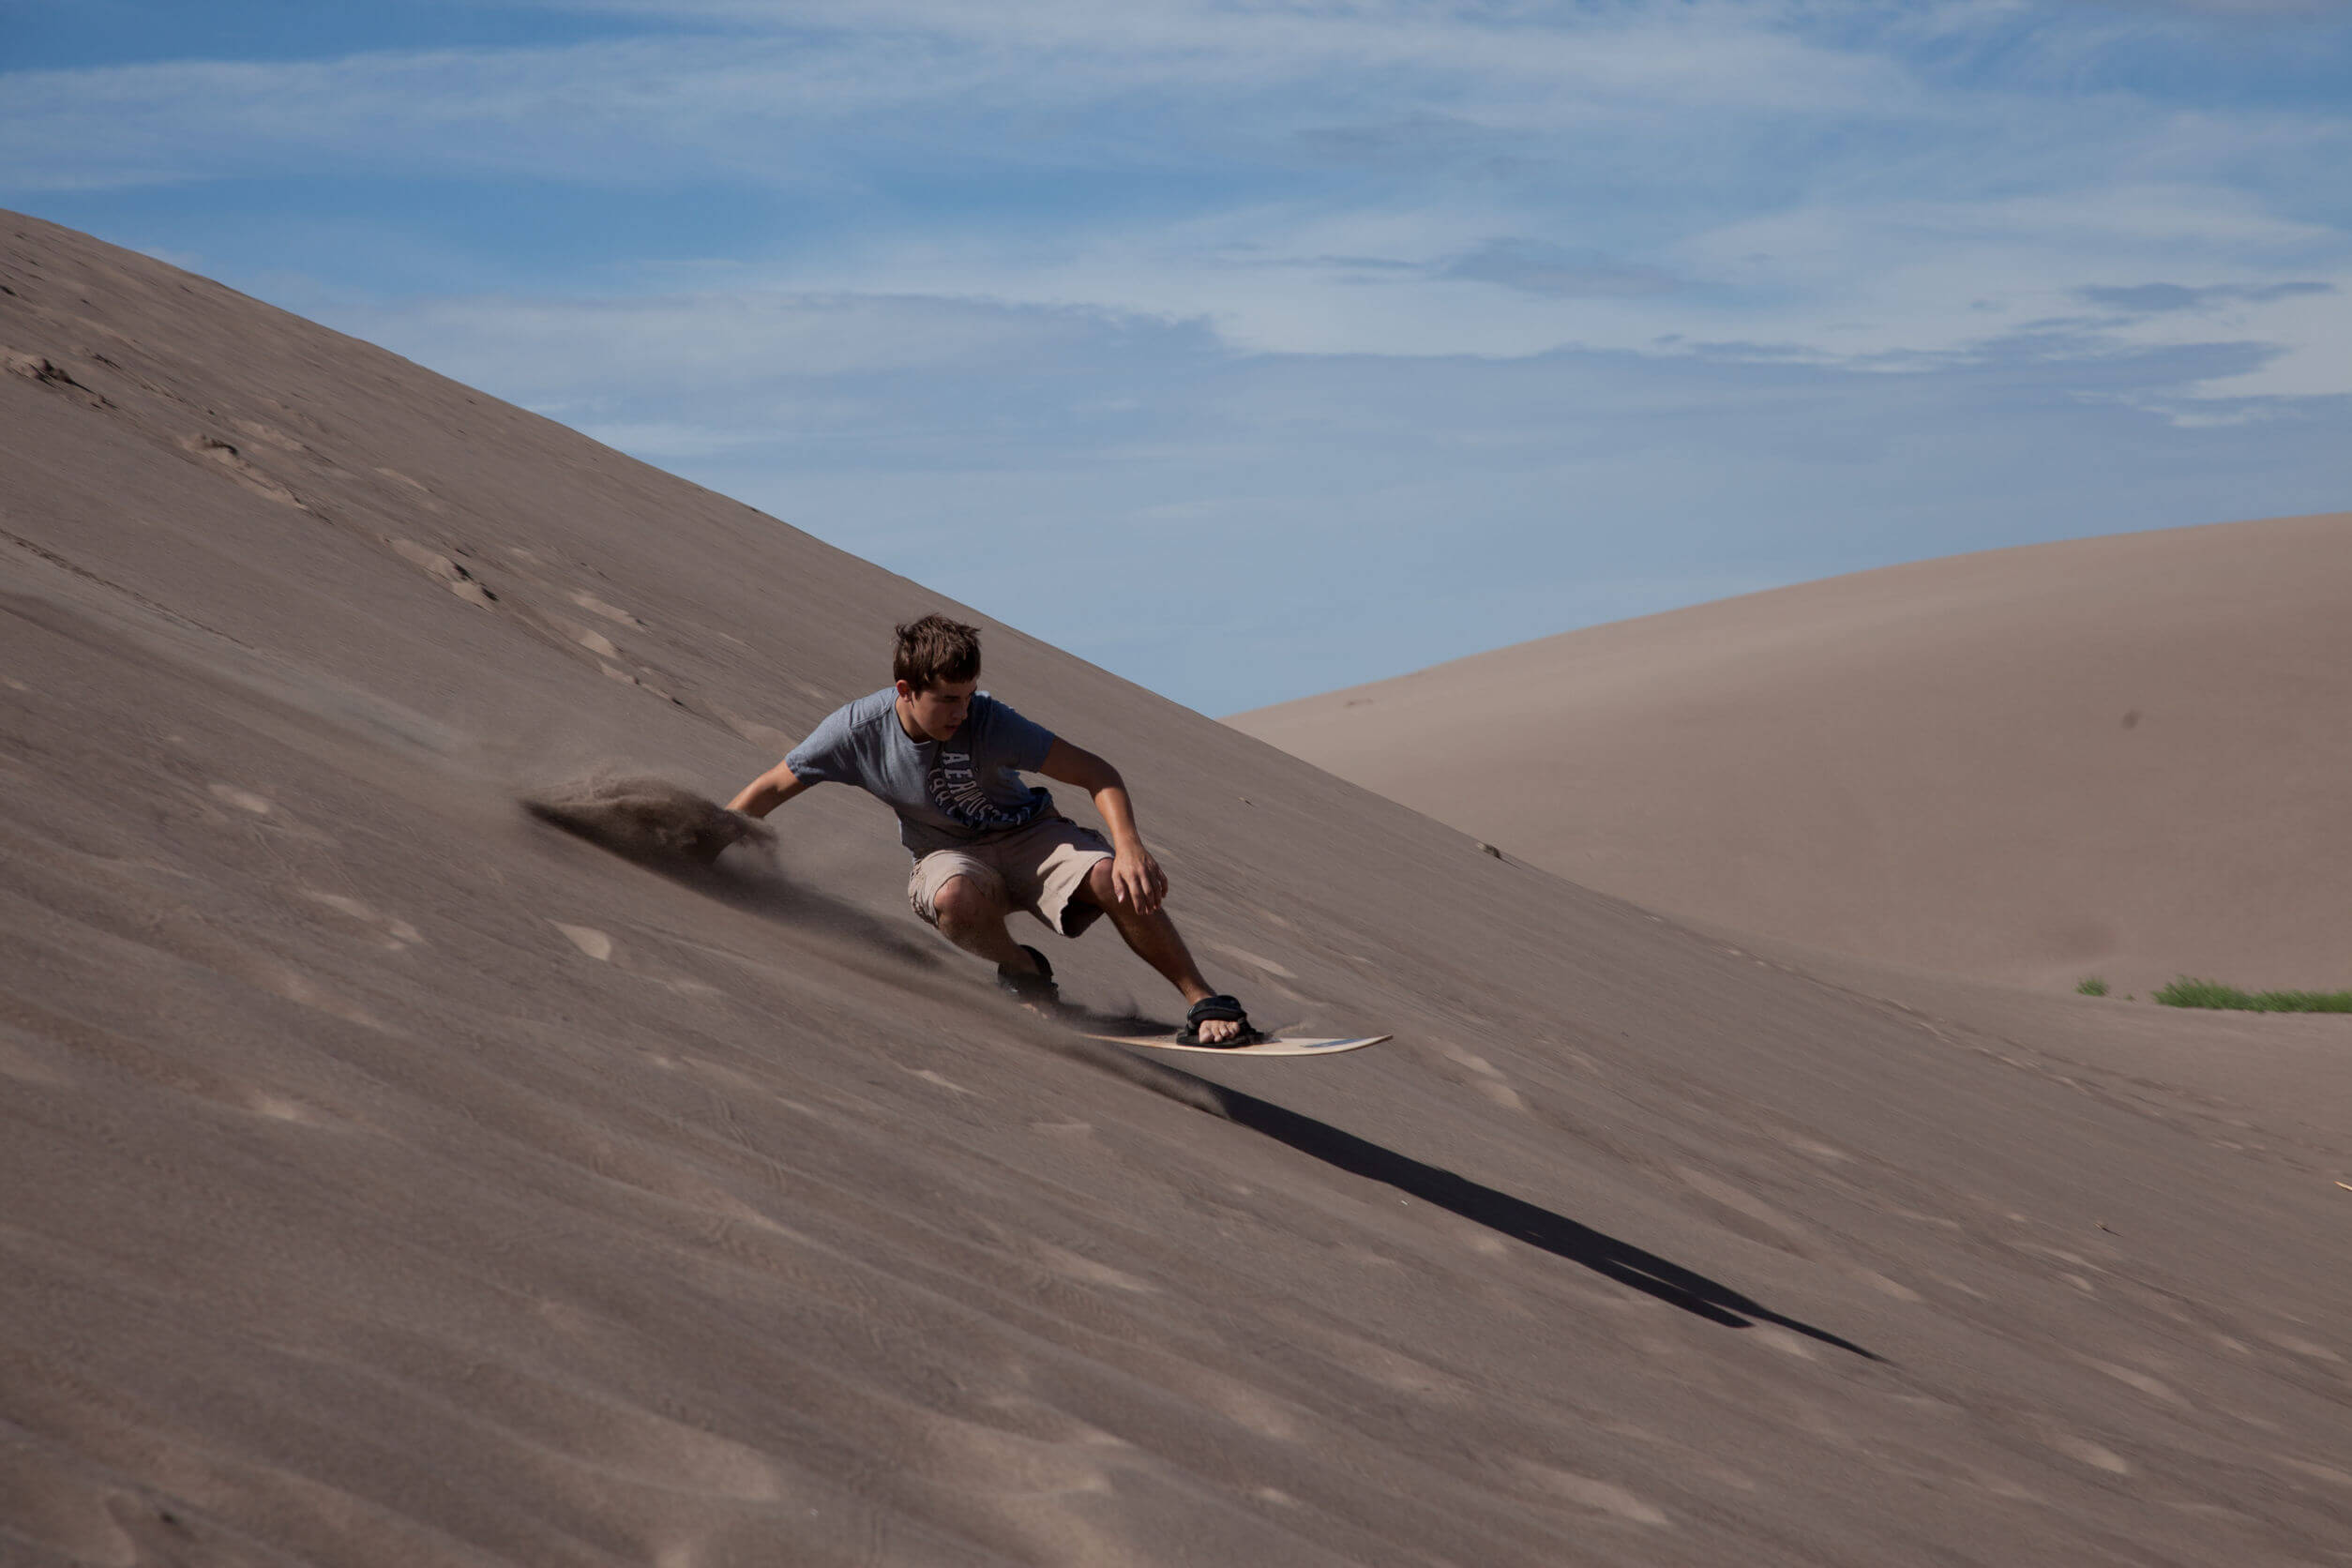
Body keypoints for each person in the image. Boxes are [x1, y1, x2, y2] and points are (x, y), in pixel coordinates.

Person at [727, 614, 1256, 1046]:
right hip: (946, 854)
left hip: (1031, 836)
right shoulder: (857, 732)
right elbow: (772, 787)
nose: (963, 711)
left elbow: (1097, 773)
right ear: (906, 691)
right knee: (953, 900)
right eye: (948, 700)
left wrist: (1130, 847)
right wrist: (704, 837)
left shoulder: (991, 720)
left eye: (969, 696)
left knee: (1115, 876)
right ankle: (1024, 971)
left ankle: (1202, 999)